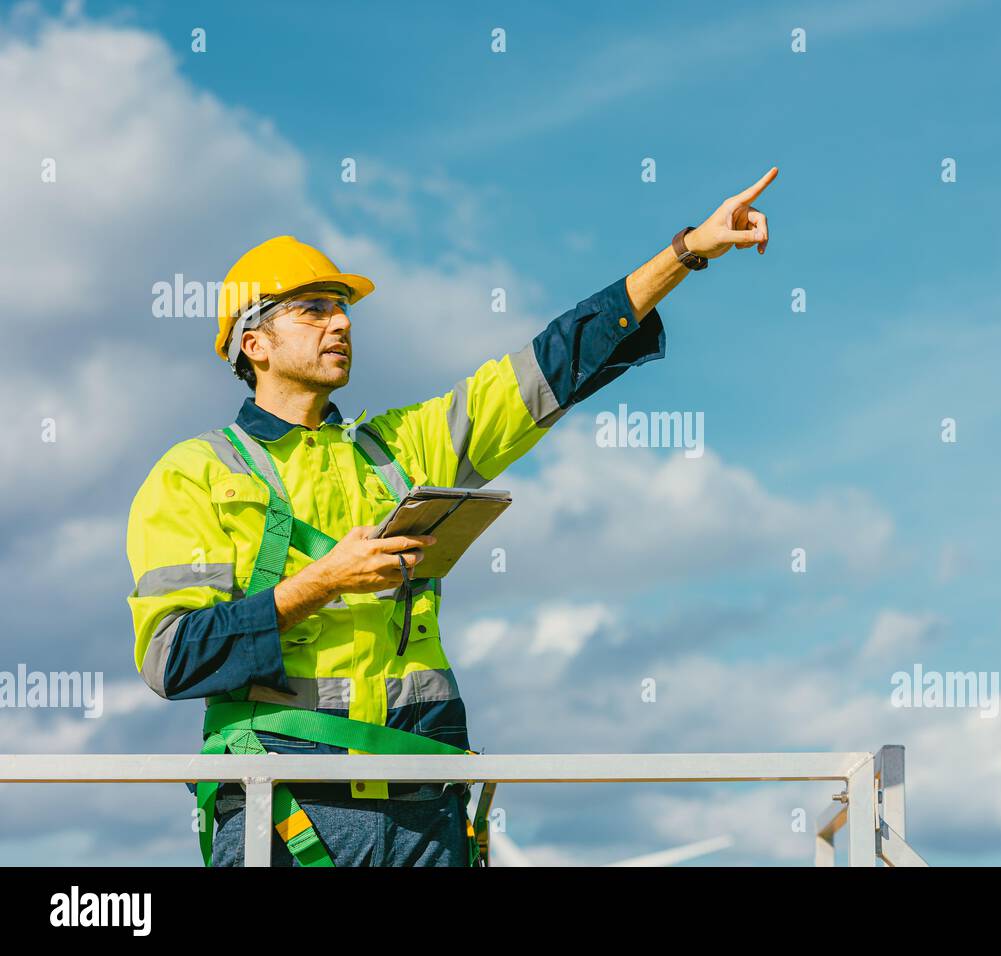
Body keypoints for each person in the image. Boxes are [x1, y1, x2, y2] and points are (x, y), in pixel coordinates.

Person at [125, 167, 778, 866]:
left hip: (425, 811)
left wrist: (686, 253)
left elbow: (550, 365)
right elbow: (175, 657)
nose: (341, 321)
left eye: (342, 308)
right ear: (253, 345)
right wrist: (320, 583)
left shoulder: (404, 448)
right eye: (313, 309)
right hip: (282, 807)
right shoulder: (195, 473)